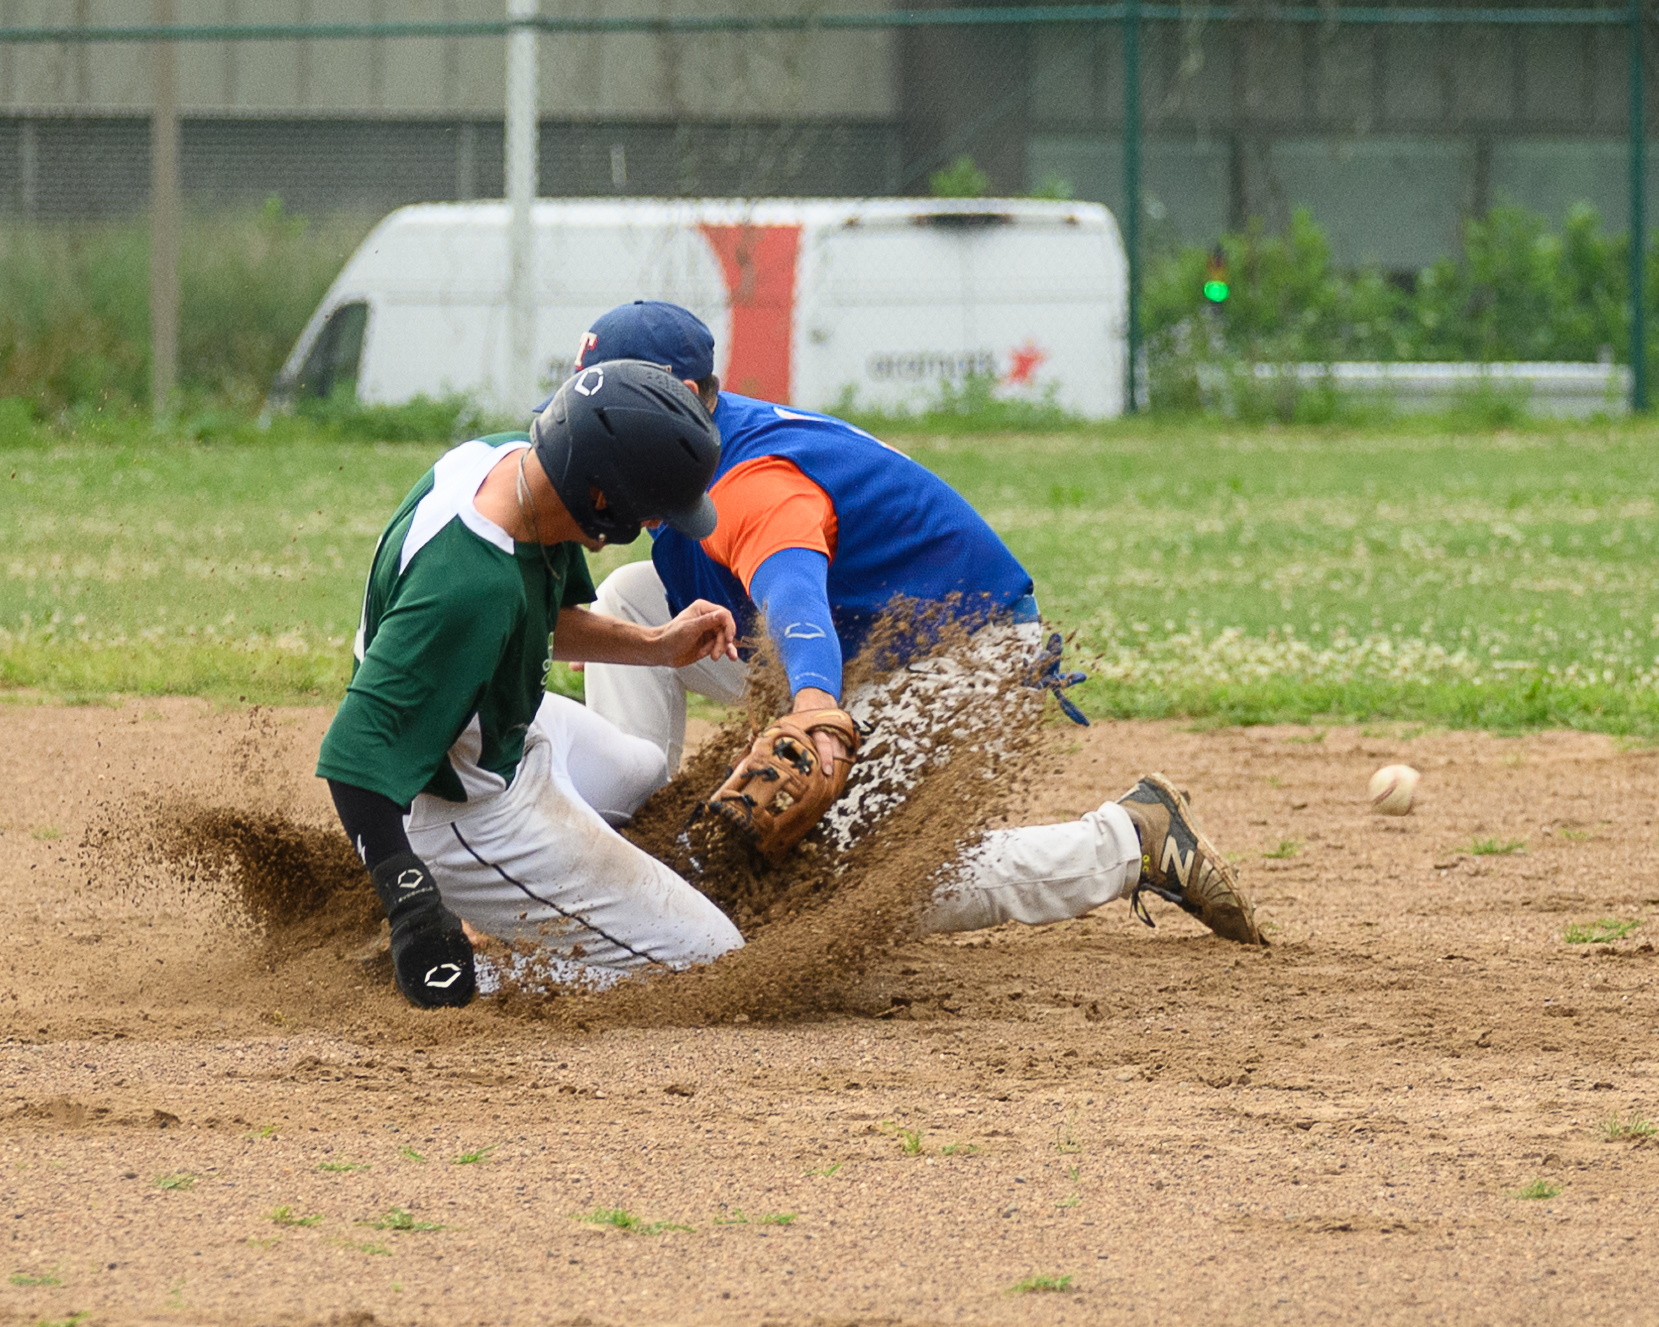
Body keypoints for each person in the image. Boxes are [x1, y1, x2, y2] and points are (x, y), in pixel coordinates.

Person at [573, 301, 1266, 946]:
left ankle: (1129, 840)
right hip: (867, 656)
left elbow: (792, 598)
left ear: (692, 399)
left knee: (811, 887)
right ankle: (625, 850)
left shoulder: (750, 483)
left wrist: (812, 704)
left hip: (972, 666)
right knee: (631, 598)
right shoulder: (694, 449)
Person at [316, 360, 753, 1008]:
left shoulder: (515, 465)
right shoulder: (466, 586)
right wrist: (411, 904)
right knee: (712, 964)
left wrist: (656, 647)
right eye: (649, 510)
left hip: (514, 725)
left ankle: (570, 906)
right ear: (601, 498)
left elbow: (533, 613)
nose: (653, 523)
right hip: (472, 812)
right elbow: (353, 758)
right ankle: (473, 973)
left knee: (643, 773)